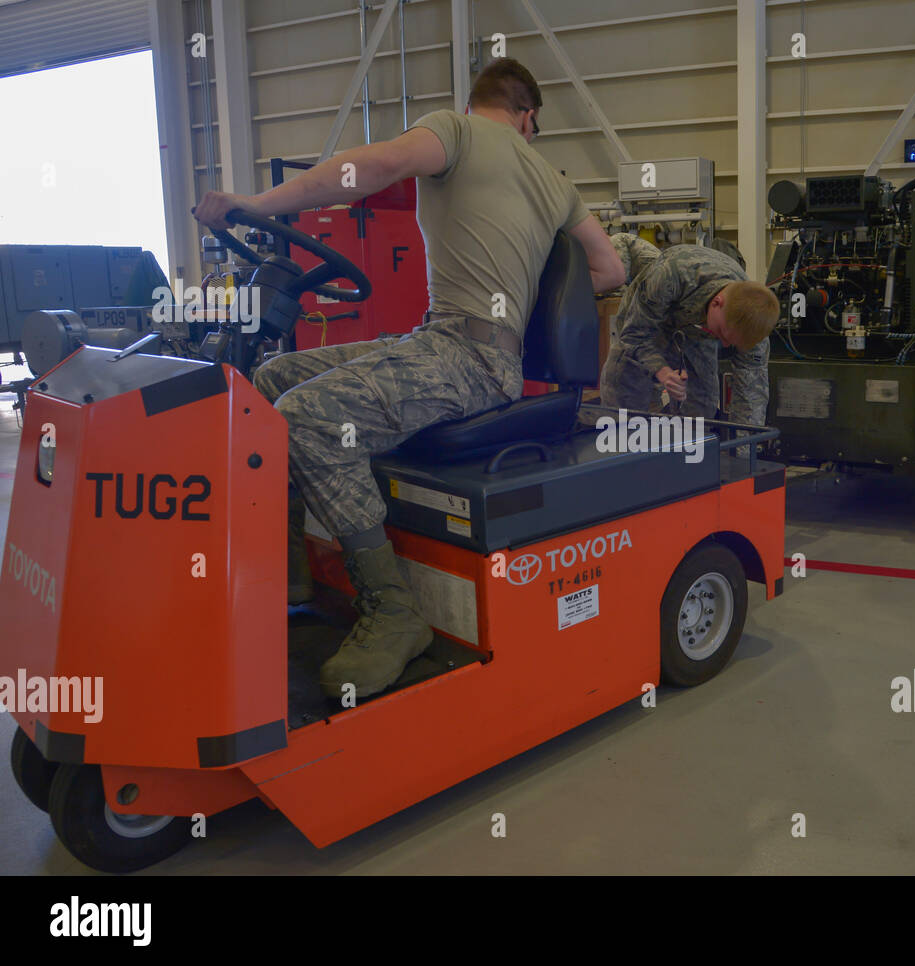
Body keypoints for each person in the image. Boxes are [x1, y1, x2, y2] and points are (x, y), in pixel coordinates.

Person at [193, 58, 624, 699]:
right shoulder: (555, 183)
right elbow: (611, 270)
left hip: (468, 359)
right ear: (530, 116)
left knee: (308, 416)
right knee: (274, 375)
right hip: (449, 343)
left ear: (486, 105)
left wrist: (254, 204)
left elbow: (371, 168)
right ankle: (286, 574)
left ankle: (393, 610)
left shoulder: (457, 129)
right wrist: (528, 304)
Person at [599, 245, 778, 428]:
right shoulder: (669, 274)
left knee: (702, 406)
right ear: (717, 303)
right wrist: (663, 371)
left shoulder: (752, 325)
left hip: (699, 332)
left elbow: (751, 398)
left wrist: (744, 453)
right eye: (723, 334)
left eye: (730, 342)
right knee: (624, 404)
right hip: (648, 324)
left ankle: (683, 451)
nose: (723, 343)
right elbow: (634, 336)